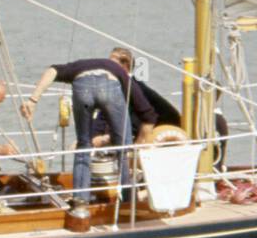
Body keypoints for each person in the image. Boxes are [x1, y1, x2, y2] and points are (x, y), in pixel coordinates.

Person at [20, 56, 157, 205]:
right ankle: (128, 201)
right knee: (124, 148)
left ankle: (80, 200)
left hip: (82, 86)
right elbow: (147, 112)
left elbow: (52, 70)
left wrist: (33, 100)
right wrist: (139, 143)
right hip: (109, 86)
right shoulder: (120, 71)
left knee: (83, 147)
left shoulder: (77, 66)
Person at [93, 47, 228, 166]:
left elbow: (149, 117)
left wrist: (136, 143)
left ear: (125, 66)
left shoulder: (135, 89)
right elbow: (104, 116)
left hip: (159, 138)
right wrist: (94, 135)